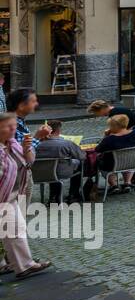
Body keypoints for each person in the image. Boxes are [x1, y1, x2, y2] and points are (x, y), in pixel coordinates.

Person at [0, 114, 49, 279]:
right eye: (8, 126)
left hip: (10, 195)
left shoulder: (12, 144)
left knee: (15, 229)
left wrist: (27, 148)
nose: (13, 129)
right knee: (13, 229)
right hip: (2, 198)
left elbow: (28, 163)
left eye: (14, 125)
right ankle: (22, 266)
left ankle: (22, 266)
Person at [93, 114, 135, 193]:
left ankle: (113, 185)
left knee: (100, 160)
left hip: (112, 165)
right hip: (134, 162)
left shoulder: (110, 139)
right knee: (131, 157)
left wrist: (106, 136)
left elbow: (98, 149)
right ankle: (127, 182)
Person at [32, 120, 84, 204]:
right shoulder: (66, 143)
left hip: (37, 173)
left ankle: (53, 197)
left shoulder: (33, 144)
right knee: (79, 163)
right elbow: (82, 156)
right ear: (59, 130)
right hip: (60, 172)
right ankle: (73, 195)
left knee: (52, 167)